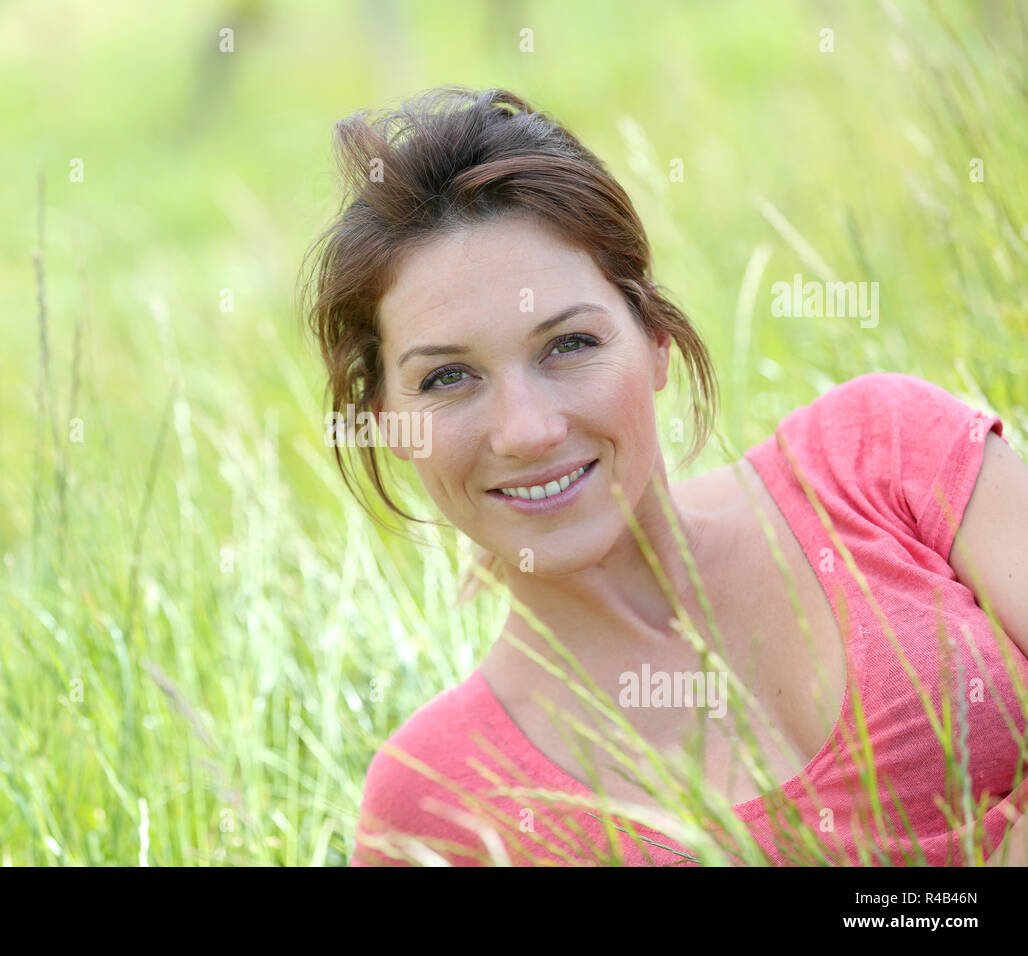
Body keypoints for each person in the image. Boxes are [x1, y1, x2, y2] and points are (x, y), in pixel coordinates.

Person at [297, 85, 1028, 866]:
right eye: (447, 378)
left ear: (655, 340)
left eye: (569, 345)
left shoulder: (879, 455)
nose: (528, 430)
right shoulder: (436, 801)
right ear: (384, 421)